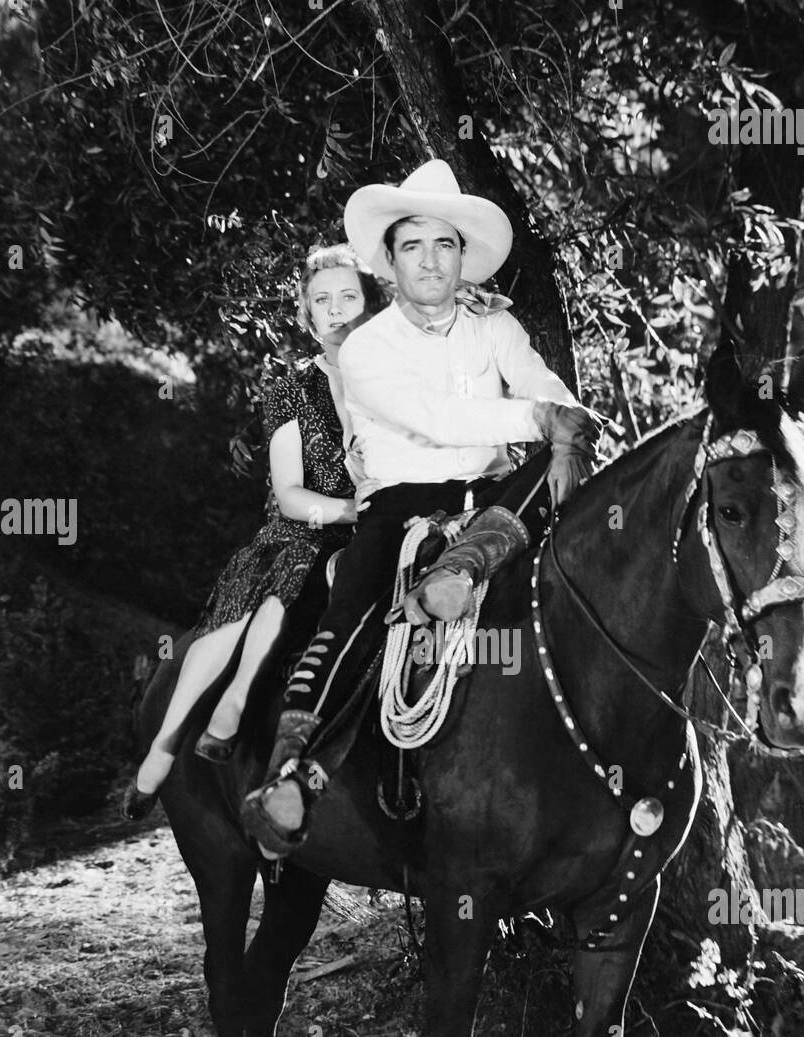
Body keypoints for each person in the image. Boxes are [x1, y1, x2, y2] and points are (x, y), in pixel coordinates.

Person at [243, 160, 601, 852]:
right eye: (413, 246)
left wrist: (564, 426)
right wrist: (543, 421)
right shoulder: (367, 348)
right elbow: (437, 418)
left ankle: (461, 574)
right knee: (350, 612)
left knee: (562, 488)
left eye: (445, 245)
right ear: (389, 263)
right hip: (400, 504)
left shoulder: (495, 328)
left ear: (464, 257)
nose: (430, 261)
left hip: (496, 499)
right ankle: (293, 772)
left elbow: (544, 385)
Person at [121, 244, 387, 821]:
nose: (337, 311)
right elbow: (290, 494)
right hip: (305, 525)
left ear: (371, 306)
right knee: (269, 582)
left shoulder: (395, 377)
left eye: (349, 297)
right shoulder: (292, 387)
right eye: (323, 301)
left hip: (378, 530)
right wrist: (351, 511)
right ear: (307, 316)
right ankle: (168, 741)